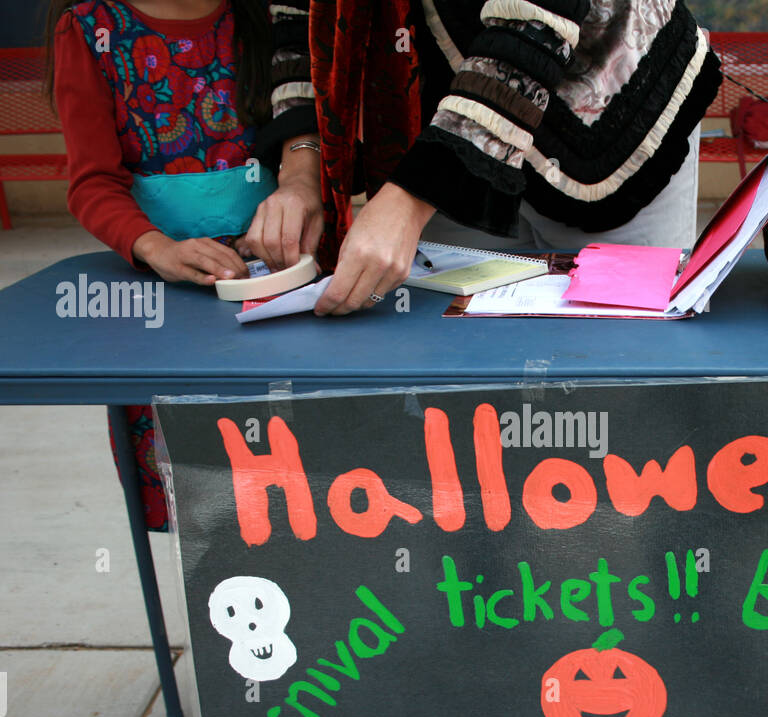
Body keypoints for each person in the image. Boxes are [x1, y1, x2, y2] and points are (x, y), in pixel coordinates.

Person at [254, 1, 722, 315]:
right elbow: (301, 17)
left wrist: (412, 198)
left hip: (610, 122)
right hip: (441, 122)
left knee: (620, 365)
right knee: (454, 361)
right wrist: (301, 164)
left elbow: (536, 15)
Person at [46, 0, 321, 528]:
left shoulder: (272, 12)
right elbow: (92, 183)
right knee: (202, 500)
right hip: (164, 308)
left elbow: (308, 126)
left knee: (304, 484)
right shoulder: (90, 29)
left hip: (283, 285)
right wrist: (157, 249)